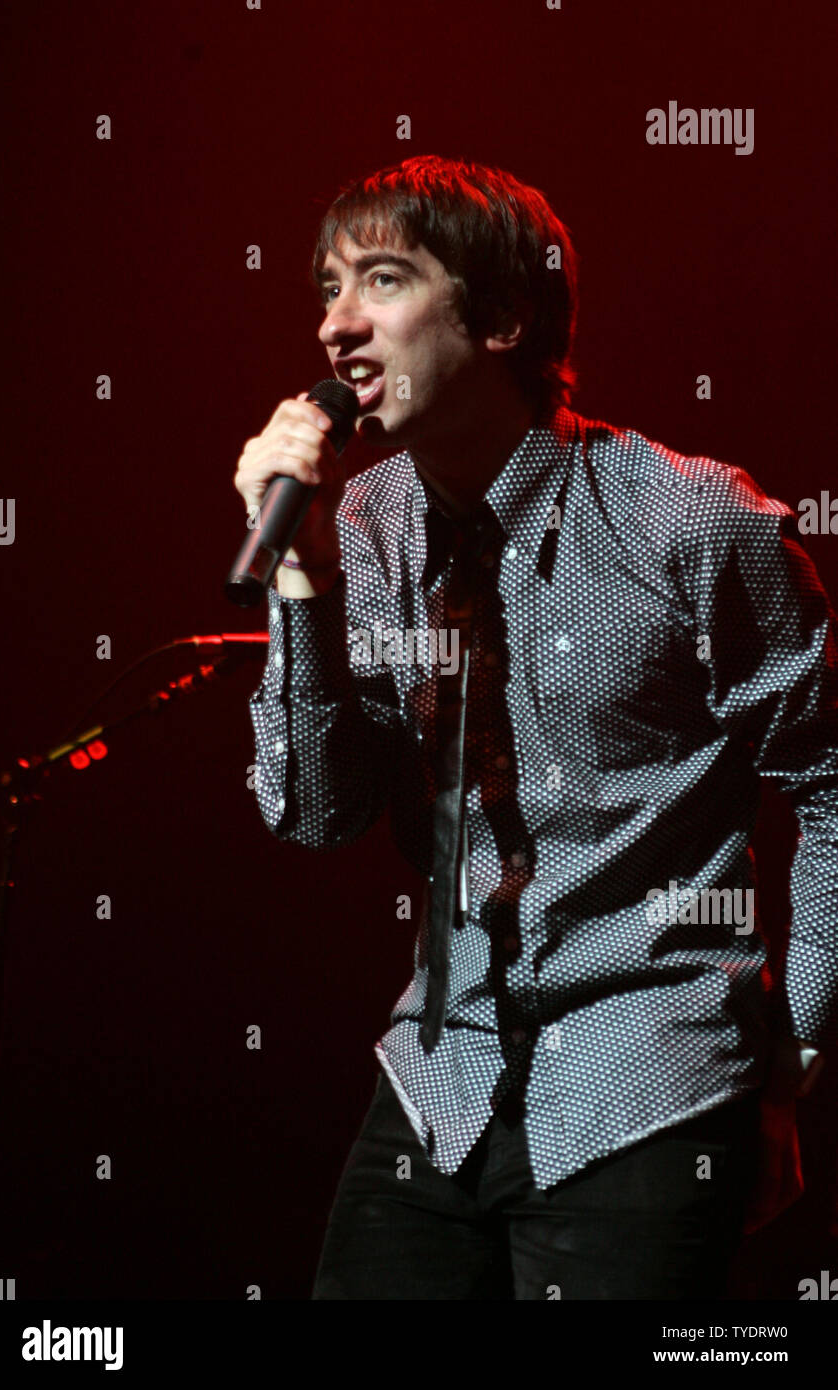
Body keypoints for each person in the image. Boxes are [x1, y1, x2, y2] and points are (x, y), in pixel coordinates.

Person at [234, 155, 834, 1300]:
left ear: (503, 315)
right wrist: (300, 577)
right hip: (438, 1078)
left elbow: (830, 778)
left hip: (642, 1085)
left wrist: (792, 1046)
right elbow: (315, 814)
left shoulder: (687, 521)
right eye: (325, 288)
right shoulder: (363, 520)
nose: (335, 326)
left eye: (382, 280)